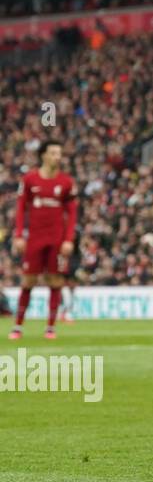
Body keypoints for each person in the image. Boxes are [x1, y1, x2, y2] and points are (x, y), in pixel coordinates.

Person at [10, 139, 77, 341]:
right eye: (54, 153)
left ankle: (50, 327)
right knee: (28, 280)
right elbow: (21, 208)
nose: (58, 157)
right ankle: (18, 326)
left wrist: (68, 239)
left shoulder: (66, 182)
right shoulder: (30, 179)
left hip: (56, 239)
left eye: (59, 153)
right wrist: (19, 234)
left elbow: (72, 213)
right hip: (35, 238)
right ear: (44, 155)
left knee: (55, 281)